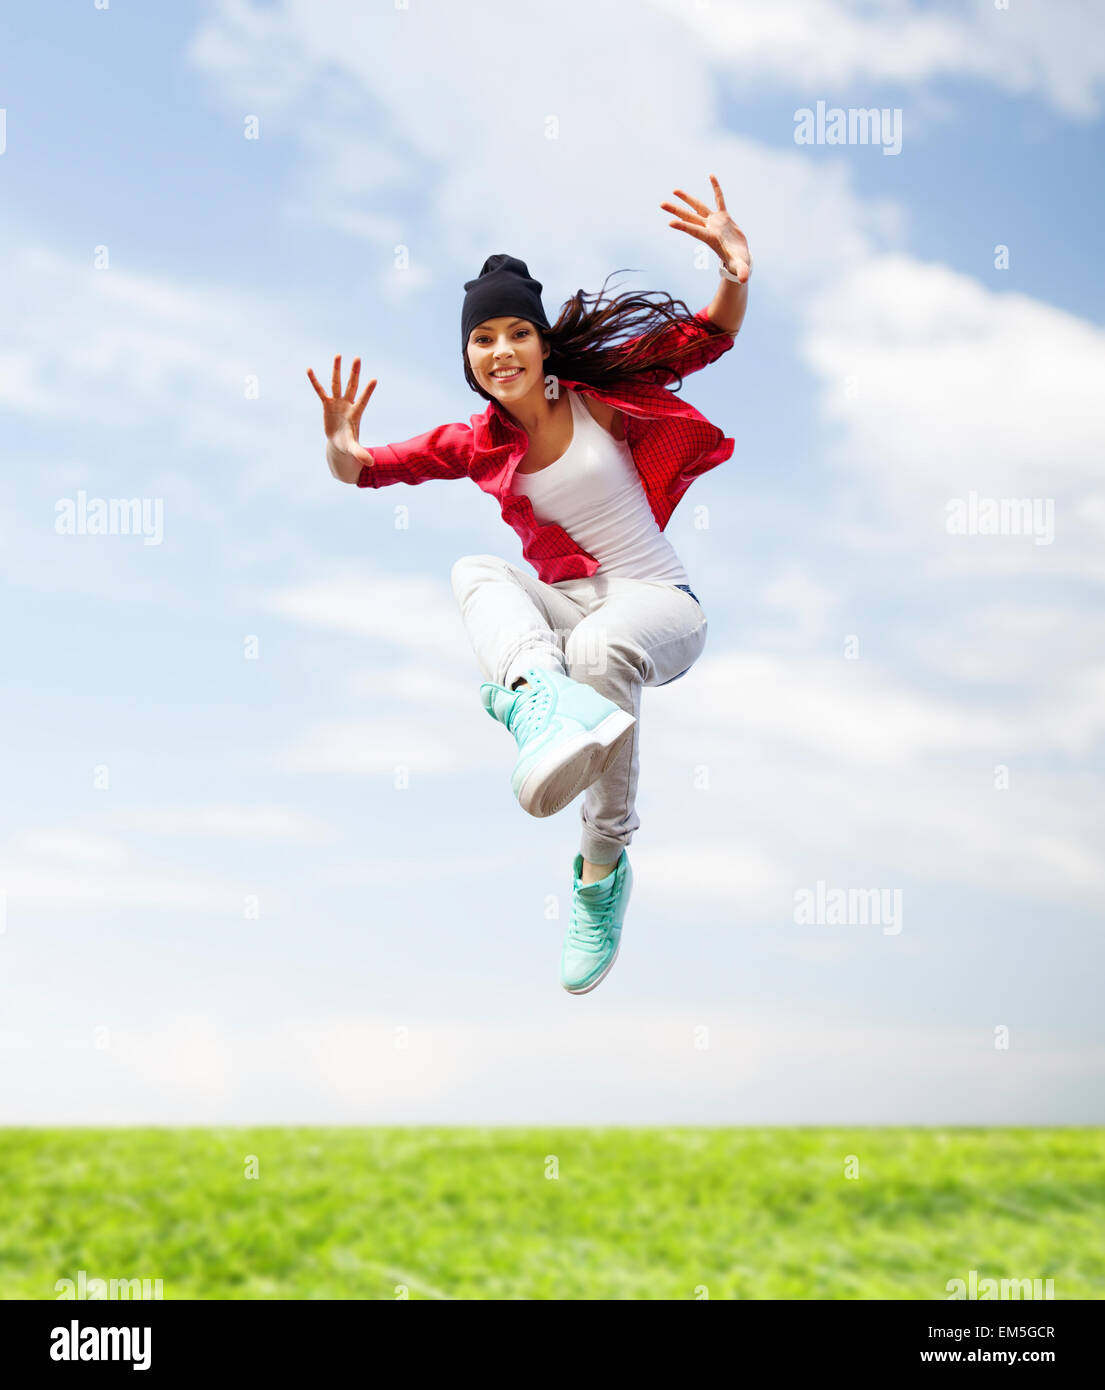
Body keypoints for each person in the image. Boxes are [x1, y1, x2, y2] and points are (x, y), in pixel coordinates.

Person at [308, 174, 751, 995]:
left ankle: (598, 876)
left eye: (517, 332)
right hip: (573, 606)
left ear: (543, 346)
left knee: (599, 642)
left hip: (658, 606)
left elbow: (710, 335)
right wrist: (340, 443)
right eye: (483, 340)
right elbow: (364, 471)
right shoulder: (474, 442)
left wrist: (732, 267)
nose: (501, 349)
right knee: (475, 569)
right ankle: (535, 698)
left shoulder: (601, 396)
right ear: (469, 360)